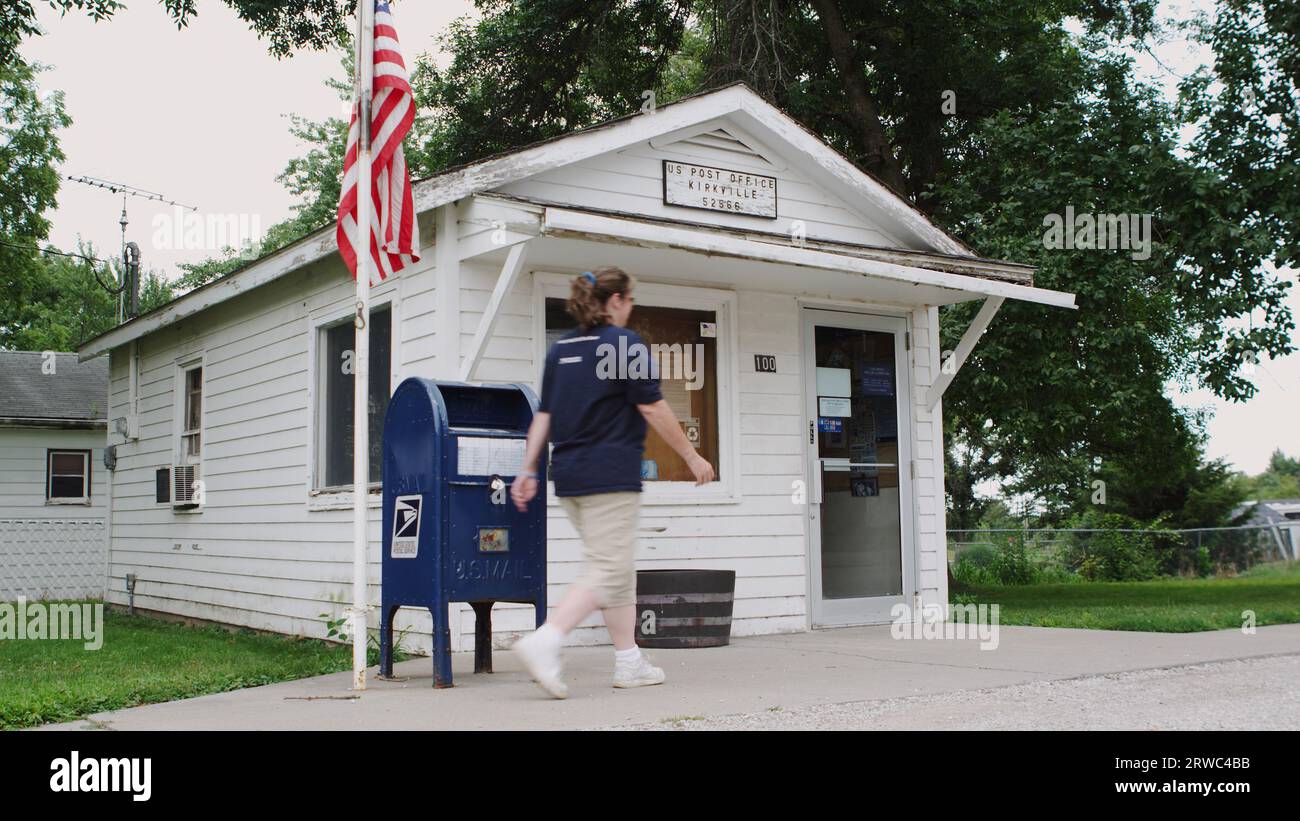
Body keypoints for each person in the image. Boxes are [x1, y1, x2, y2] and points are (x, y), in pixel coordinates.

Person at [510, 266, 715, 699]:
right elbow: (653, 408)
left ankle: (629, 661)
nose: (632, 307)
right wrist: (692, 455)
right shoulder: (625, 345)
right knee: (607, 568)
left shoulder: (561, 350)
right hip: (610, 475)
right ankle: (546, 640)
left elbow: (543, 416)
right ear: (617, 301)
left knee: (616, 571)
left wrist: (528, 469)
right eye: (631, 299)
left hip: (568, 475)